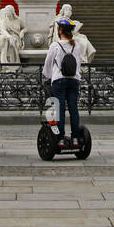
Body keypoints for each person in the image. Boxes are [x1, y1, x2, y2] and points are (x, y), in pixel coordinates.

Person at [42, 17, 84, 148]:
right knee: (73, 109)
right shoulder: (77, 45)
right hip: (74, 80)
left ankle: (60, 139)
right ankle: (76, 138)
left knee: (59, 110)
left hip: (59, 80)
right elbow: (78, 63)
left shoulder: (55, 46)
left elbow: (48, 64)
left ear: (60, 31)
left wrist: (49, 76)